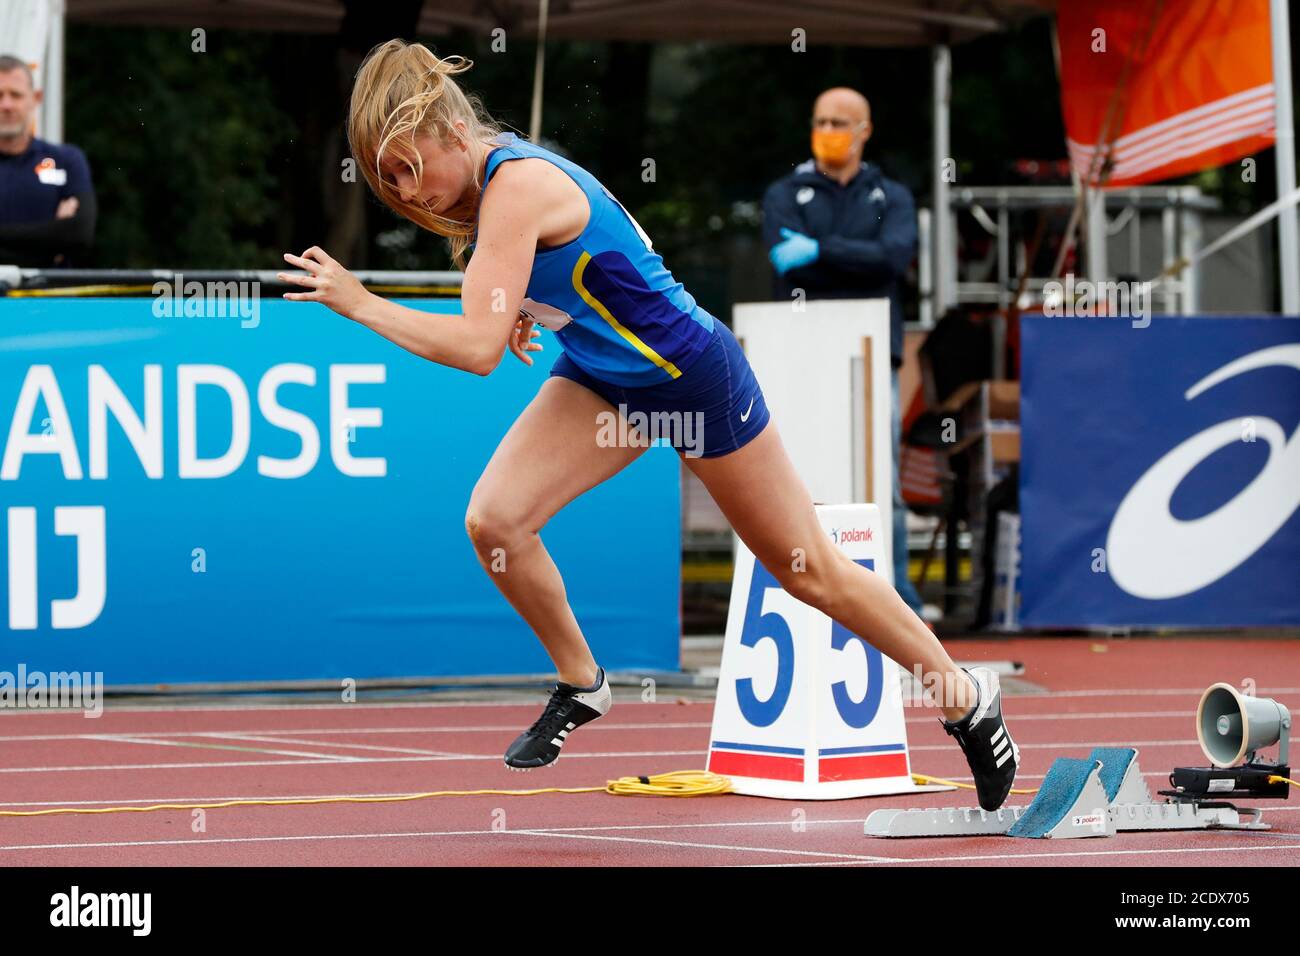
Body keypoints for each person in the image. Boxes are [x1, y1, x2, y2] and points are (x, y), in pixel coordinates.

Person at [277, 41, 1019, 810]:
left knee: (807, 570)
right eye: (387, 180)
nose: (409, 193)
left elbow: (474, 351)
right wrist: (526, 309)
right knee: (496, 521)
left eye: (407, 166)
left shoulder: (517, 185)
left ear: (449, 129)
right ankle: (582, 682)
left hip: (690, 376)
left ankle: (965, 696)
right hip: (604, 380)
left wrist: (360, 301)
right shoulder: (488, 190)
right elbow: (556, 283)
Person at [762, 87, 925, 618]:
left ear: (865, 131)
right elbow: (788, 263)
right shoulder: (786, 192)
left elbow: (894, 260)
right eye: (821, 120)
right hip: (801, 355)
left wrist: (822, 252)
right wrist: (860, 260)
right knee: (800, 475)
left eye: (839, 122)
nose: (828, 130)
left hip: (873, 358)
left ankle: (898, 600)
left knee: (882, 480)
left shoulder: (891, 196)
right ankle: (795, 594)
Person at [0, 55, 96, 267]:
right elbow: (64, 237)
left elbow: (79, 234)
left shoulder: (67, 160)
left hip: (48, 297)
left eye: (15, 95)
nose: (6, 105)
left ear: (36, 98)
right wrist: (50, 246)